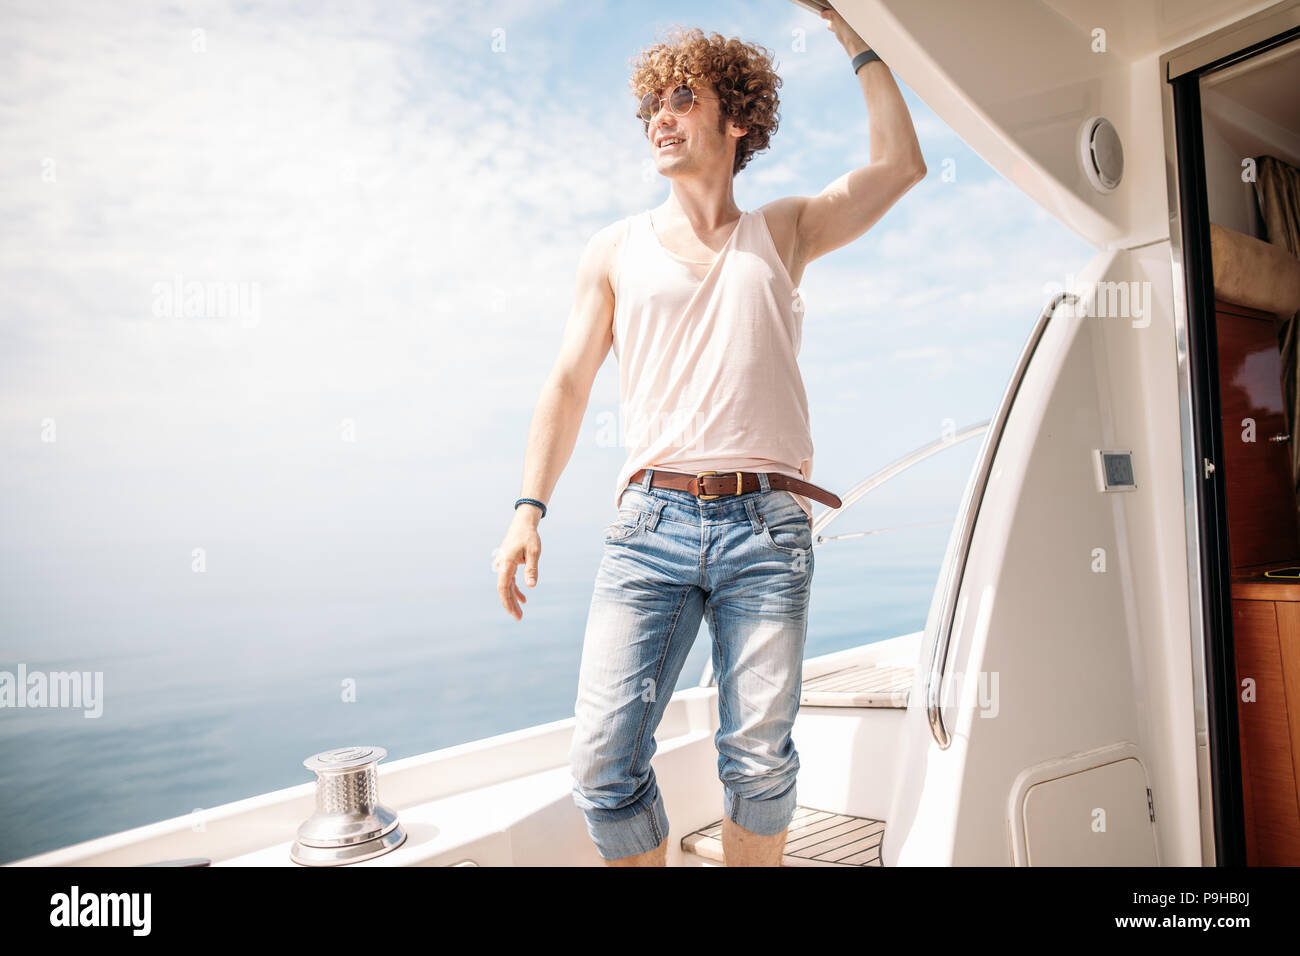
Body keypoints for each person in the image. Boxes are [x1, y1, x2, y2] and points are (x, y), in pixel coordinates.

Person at [494, 10, 925, 866]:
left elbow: (900, 165)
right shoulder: (613, 250)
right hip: (648, 528)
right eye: (651, 102)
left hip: (767, 527)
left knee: (758, 759)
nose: (659, 115)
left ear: (737, 121)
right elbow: (569, 383)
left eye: (682, 98)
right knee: (603, 763)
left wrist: (850, 31)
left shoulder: (785, 230)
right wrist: (526, 507)